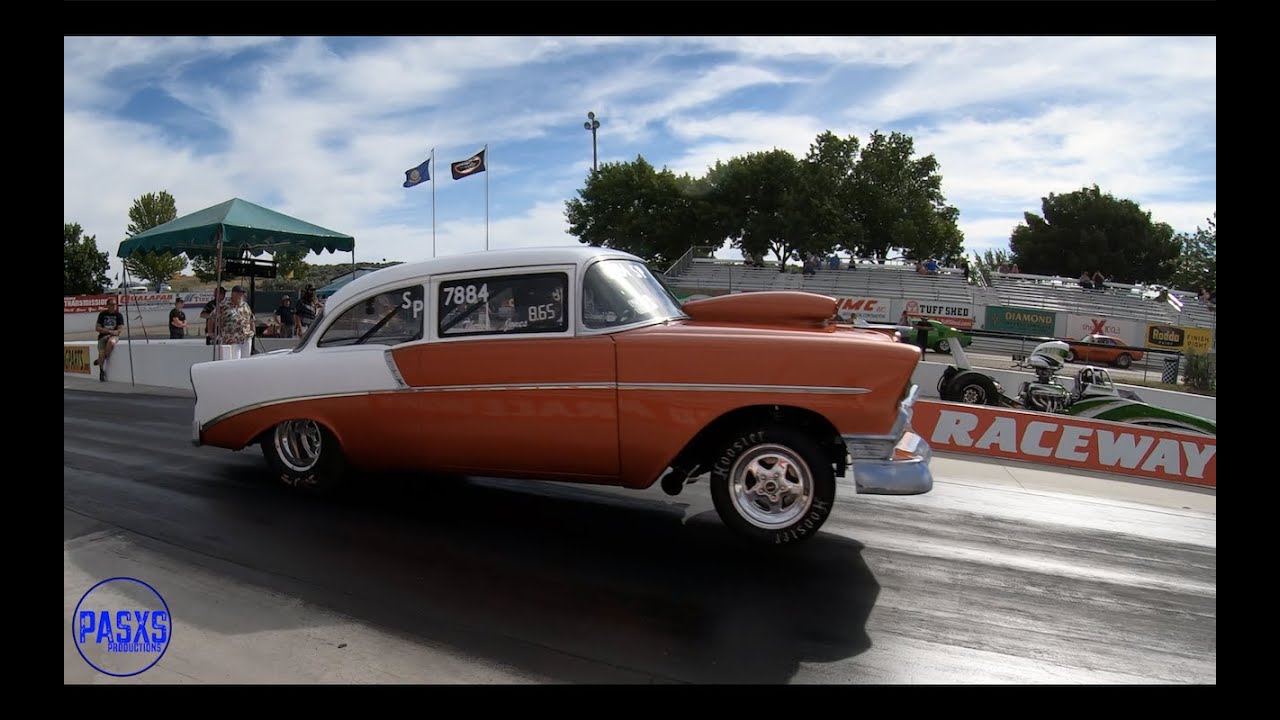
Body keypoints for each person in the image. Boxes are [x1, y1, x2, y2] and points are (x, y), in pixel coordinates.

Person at [219, 286, 256, 360]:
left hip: (246, 336)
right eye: (240, 294)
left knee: (246, 360)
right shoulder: (224, 305)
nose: (241, 296)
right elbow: (212, 318)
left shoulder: (245, 305)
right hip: (232, 338)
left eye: (242, 294)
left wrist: (253, 331)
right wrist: (210, 332)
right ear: (233, 294)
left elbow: (251, 318)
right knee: (235, 359)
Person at [93, 297, 125, 382]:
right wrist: (108, 331)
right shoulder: (102, 314)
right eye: (112, 305)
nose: (114, 306)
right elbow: (97, 328)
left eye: (115, 304)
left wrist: (110, 334)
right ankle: (101, 371)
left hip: (113, 336)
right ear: (107, 305)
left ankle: (101, 359)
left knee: (111, 342)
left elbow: (119, 330)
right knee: (101, 352)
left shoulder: (119, 315)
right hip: (102, 337)